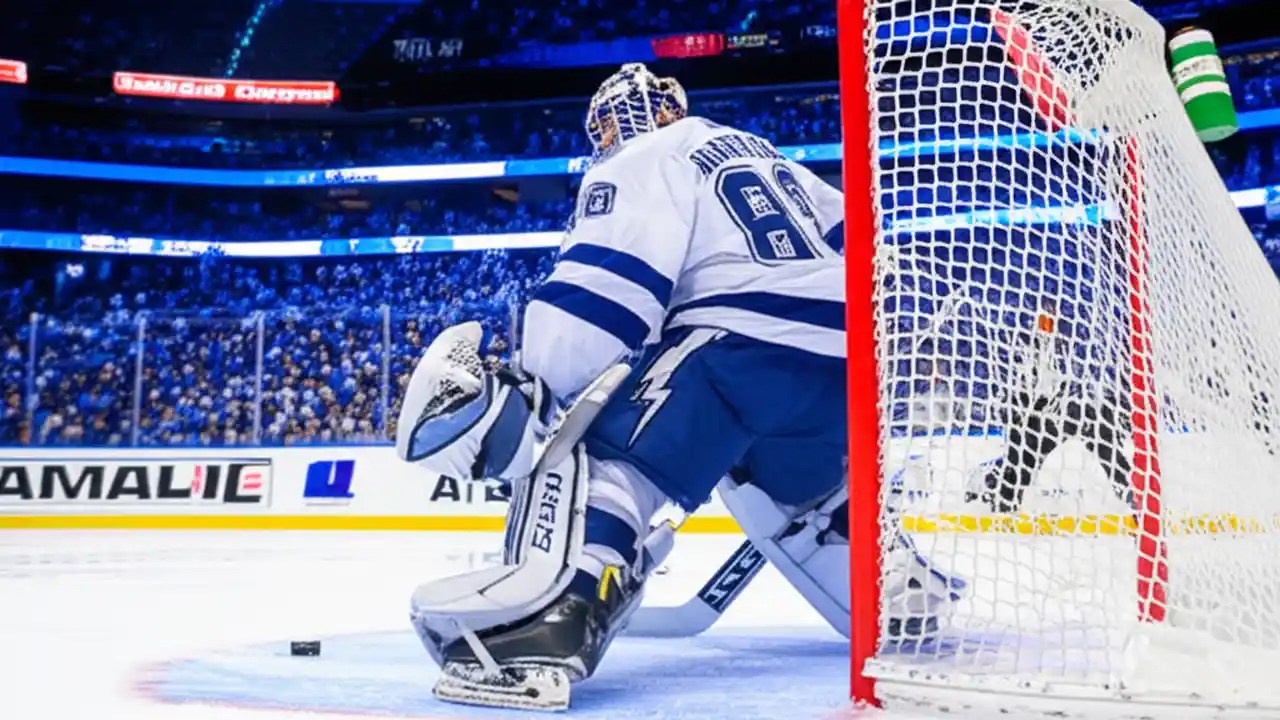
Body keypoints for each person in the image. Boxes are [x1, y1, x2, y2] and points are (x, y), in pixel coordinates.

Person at [393, 63, 962, 710]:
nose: (603, 137)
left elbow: (608, 282)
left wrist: (537, 384)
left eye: (604, 122)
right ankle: (897, 592)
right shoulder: (769, 157)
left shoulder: (643, 156)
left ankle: (543, 622)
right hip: (848, 366)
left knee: (592, 453)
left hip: (738, 346)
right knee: (784, 486)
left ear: (624, 118)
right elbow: (860, 246)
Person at [969, 296, 1135, 513]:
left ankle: (1131, 494)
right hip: (1032, 416)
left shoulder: (1073, 339)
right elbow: (1017, 391)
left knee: (1098, 426)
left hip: (1063, 409)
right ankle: (997, 498)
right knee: (1021, 464)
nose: (1049, 317)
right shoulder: (1022, 344)